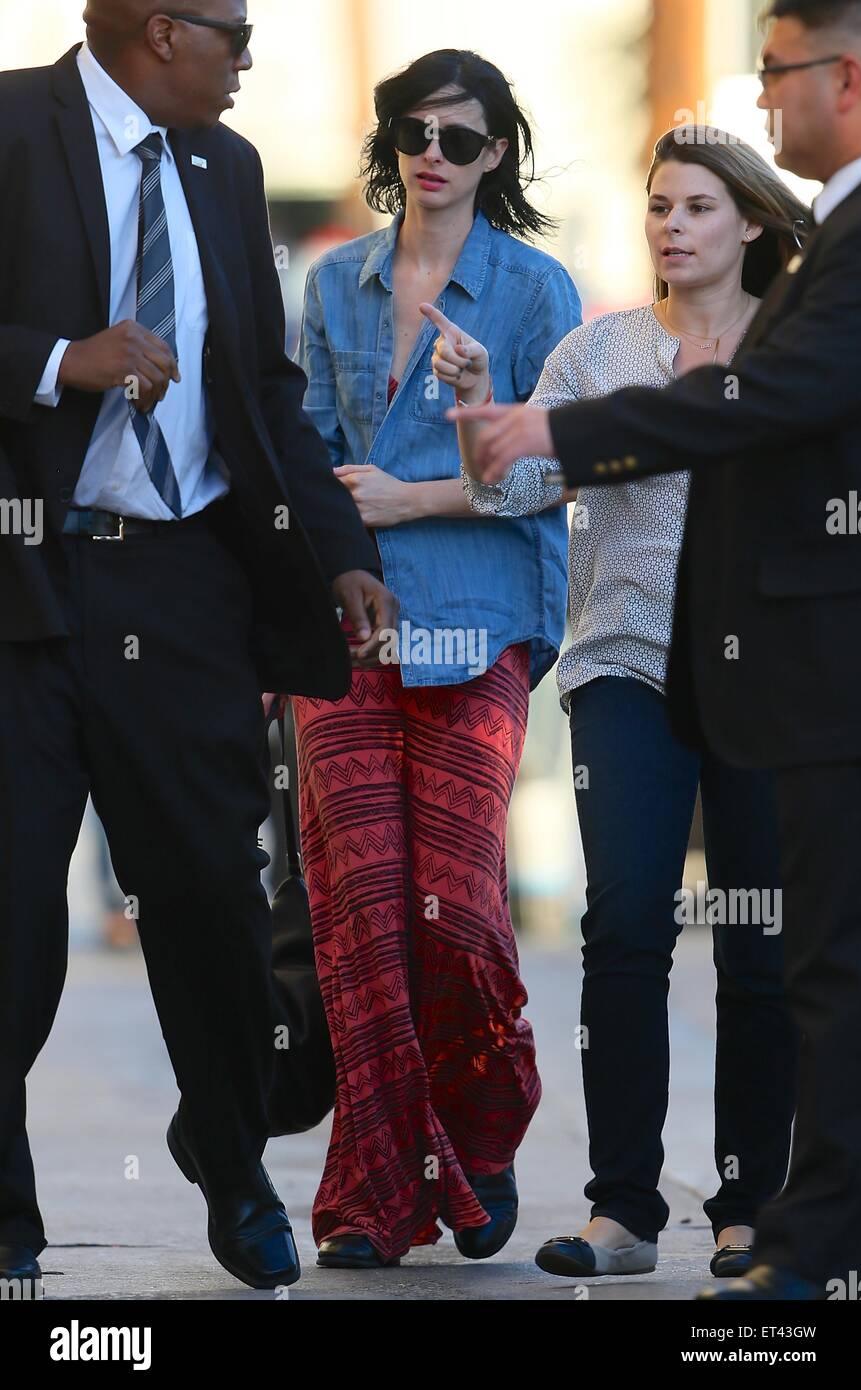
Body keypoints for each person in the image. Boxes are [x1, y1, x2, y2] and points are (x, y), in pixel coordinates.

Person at [456, 0, 861, 1301]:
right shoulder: (598, 348)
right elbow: (516, 489)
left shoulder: (789, 326)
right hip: (627, 668)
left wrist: (573, 435)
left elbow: (759, 418)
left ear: (746, 219)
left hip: (767, 673)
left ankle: (756, 1210)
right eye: (658, 206)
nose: (672, 224)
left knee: (763, 941)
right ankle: (624, 1204)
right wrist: (497, 430)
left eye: (697, 204)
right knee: (626, 921)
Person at [0, 0, 395, 1294]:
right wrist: (65, 359)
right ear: (157, 30)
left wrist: (338, 545)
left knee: (213, 903)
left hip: (182, 585)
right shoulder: (9, 124)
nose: (248, 57)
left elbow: (263, 389)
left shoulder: (224, 169)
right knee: (13, 916)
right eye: (231, 31)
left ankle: (232, 1161)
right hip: (29, 578)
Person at [293, 48, 582, 1269]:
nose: (435, 155)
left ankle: (480, 1123)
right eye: (415, 132)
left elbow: (557, 469)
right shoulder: (334, 284)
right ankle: (369, 1194)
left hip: (477, 622)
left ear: (496, 152)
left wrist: (416, 495)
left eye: (461, 139)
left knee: (456, 910)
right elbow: (303, 455)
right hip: (345, 631)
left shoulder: (531, 292)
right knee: (361, 913)